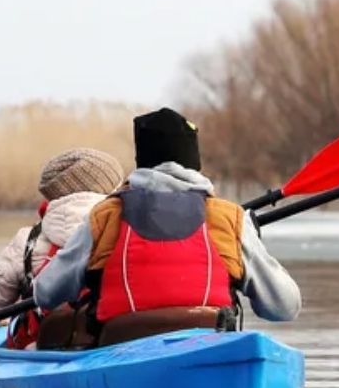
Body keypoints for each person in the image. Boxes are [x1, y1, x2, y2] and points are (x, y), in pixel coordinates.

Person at [33, 108, 300, 343]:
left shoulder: (104, 216)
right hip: (209, 348)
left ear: (142, 161)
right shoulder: (231, 218)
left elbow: (46, 293)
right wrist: (250, 237)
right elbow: (284, 307)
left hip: (120, 352)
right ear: (195, 163)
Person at [0, 148, 126, 345]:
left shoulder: (27, 242)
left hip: (42, 347)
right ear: (113, 189)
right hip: (114, 341)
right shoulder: (130, 228)